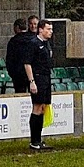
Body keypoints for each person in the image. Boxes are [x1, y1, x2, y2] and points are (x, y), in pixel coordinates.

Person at [24, 20, 54, 152]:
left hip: (46, 78)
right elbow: (27, 63)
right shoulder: (33, 43)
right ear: (40, 30)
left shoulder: (47, 44)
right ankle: (34, 141)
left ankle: (38, 139)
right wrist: (32, 81)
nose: (50, 32)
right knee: (36, 108)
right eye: (48, 29)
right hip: (38, 78)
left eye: (51, 29)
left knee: (43, 108)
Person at [5, 17, 35, 93]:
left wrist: (12, 73)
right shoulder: (33, 39)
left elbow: (9, 59)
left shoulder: (13, 42)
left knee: (20, 95)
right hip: (33, 73)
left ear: (17, 27)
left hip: (18, 74)